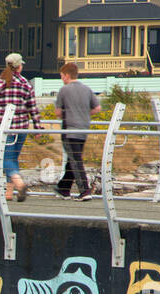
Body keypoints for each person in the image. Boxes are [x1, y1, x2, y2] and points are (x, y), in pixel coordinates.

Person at [0, 52, 43, 202]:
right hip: (21, 128)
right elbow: (32, 108)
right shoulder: (26, 84)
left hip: (2, 128)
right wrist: (38, 127)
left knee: (4, 159)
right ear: (19, 67)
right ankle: (9, 193)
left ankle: (19, 184)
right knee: (12, 158)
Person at [54, 61, 99, 200]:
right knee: (73, 158)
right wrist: (83, 113)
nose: (61, 78)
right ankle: (64, 188)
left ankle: (84, 190)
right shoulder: (86, 89)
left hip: (69, 129)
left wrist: (69, 114)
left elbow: (58, 112)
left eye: (62, 76)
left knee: (75, 160)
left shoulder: (64, 90)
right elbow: (97, 108)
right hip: (84, 129)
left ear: (67, 75)